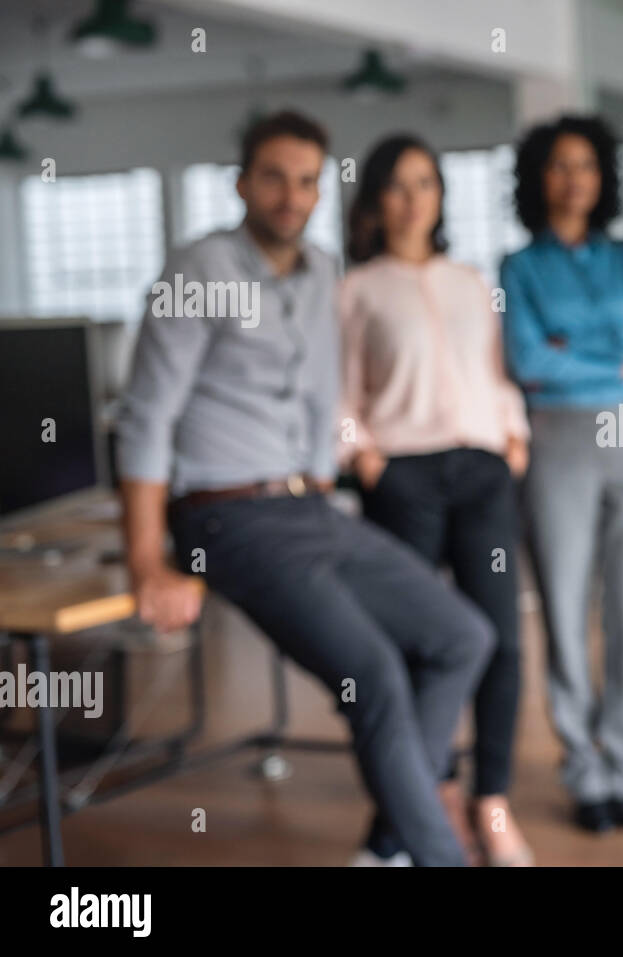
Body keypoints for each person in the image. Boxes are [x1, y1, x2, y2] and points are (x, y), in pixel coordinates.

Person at [116, 110, 494, 868]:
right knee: (378, 675)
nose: (292, 195)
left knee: (463, 636)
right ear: (242, 184)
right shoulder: (200, 271)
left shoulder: (324, 272)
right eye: (274, 178)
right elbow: (145, 417)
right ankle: (433, 854)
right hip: (228, 516)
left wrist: (336, 466)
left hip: (313, 506)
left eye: (307, 181)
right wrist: (146, 559)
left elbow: (327, 397)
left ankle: (389, 844)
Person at [338, 133, 533, 867]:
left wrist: (511, 436)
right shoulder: (355, 289)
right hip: (404, 478)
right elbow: (340, 390)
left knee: (502, 640)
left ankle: (492, 802)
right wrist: (365, 458)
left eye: (426, 182)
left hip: (483, 469)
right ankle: (436, 792)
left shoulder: (469, 279)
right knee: (422, 643)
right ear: (375, 200)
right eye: (397, 184)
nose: (413, 197)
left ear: (441, 195)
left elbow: (496, 371)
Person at [500, 115, 623, 833]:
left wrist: (582, 344)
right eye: (558, 165)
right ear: (537, 179)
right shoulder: (518, 268)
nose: (574, 179)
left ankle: (622, 766)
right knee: (565, 605)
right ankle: (583, 769)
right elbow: (529, 360)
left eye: (586, 165)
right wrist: (617, 354)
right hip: (560, 436)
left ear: (603, 178)